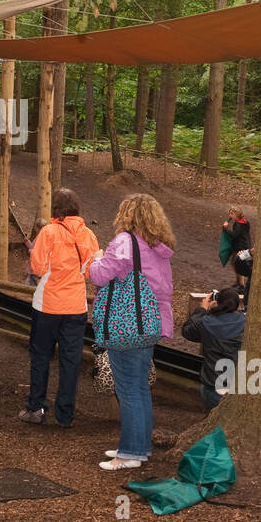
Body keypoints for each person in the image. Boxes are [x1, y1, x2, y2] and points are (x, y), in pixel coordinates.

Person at [88, 193, 176, 470]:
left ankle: (129, 454)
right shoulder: (158, 248)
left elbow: (100, 276)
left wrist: (95, 260)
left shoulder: (124, 242)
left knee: (128, 389)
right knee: (139, 388)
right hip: (150, 322)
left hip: (127, 324)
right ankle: (139, 446)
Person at [18, 188, 100, 428]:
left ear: (55, 208)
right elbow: (91, 270)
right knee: (70, 361)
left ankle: (36, 407)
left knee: (41, 357)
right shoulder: (88, 235)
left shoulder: (49, 232)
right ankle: (65, 414)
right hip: (75, 306)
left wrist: (35, 253)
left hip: (47, 305)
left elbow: (39, 268)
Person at [183, 287, 246, 411]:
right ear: (238, 306)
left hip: (212, 386)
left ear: (217, 302)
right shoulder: (246, 323)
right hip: (237, 386)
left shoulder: (206, 322)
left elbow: (187, 331)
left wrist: (202, 309)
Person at [221, 206, 252, 291]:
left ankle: (241, 284)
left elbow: (235, 235)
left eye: (232, 214)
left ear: (236, 215)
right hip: (245, 246)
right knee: (236, 263)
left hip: (240, 247)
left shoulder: (238, 224)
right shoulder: (245, 222)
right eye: (229, 213)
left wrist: (225, 229)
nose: (230, 215)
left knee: (237, 263)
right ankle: (239, 282)